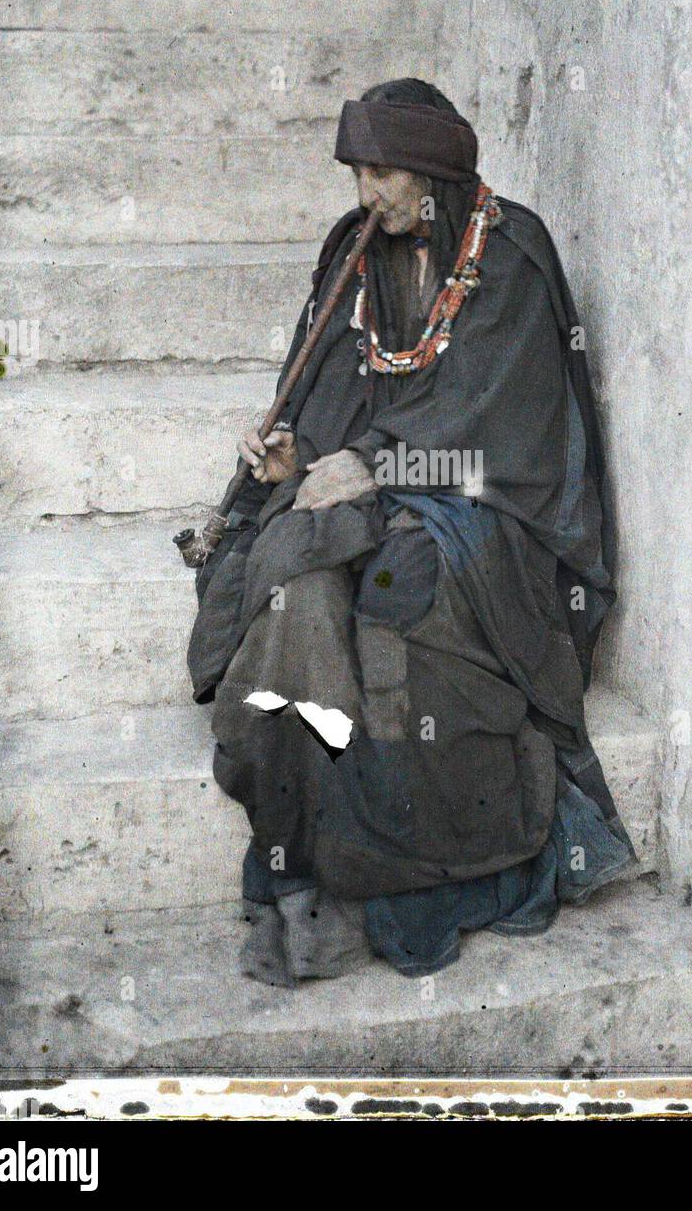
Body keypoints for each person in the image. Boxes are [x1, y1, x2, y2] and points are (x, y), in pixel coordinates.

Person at [186, 78, 635, 985]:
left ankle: (389, 872)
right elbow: (342, 400)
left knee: (397, 606)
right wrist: (298, 455)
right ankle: (296, 871)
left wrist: (385, 470)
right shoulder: (358, 252)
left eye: (382, 173)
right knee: (299, 588)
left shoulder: (511, 257)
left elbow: (510, 445)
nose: (366, 195)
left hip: (487, 512)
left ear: (431, 171)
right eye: (359, 172)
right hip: (380, 487)